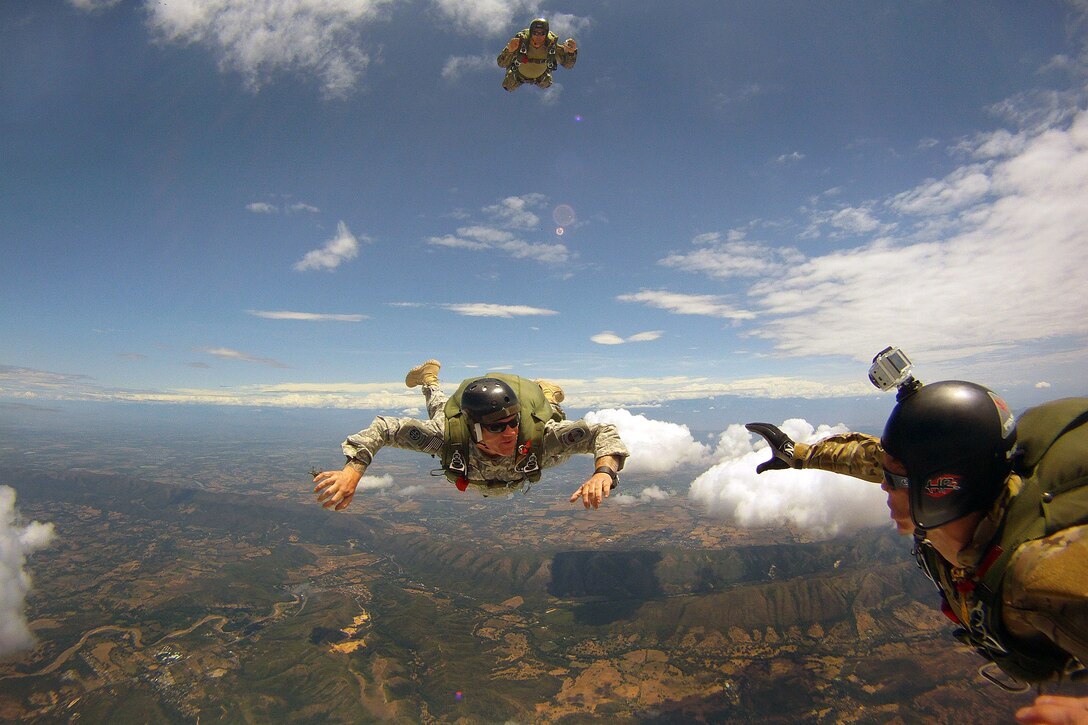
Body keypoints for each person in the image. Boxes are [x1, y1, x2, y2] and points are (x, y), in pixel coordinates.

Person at [745, 381, 1088, 695]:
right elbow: (873, 459)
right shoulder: (965, 487)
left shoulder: (1039, 577)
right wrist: (798, 453)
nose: (882, 484)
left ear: (941, 489)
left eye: (894, 480)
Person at [313, 359, 627, 511]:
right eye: (496, 427)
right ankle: (429, 379)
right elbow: (386, 427)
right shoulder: (449, 438)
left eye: (513, 422)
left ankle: (544, 394)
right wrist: (353, 471)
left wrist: (604, 472)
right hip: (463, 444)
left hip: (521, 464)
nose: (511, 432)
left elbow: (603, 431)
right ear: (474, 428)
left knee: (549, 412)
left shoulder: (540, 439)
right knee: (439, 409)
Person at [497, 18, 577, 92]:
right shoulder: (519, 43)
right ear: (531, 33)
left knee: (547, 84)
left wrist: (571, 53)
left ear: (546, 34)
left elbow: (568, 65)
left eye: (542, 33)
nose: (538, 36)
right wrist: (509, 51)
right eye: (535, 33)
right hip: (518, 75)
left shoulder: (551, 46)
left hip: (541, 77)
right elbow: (501, 63)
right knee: (508, 86)